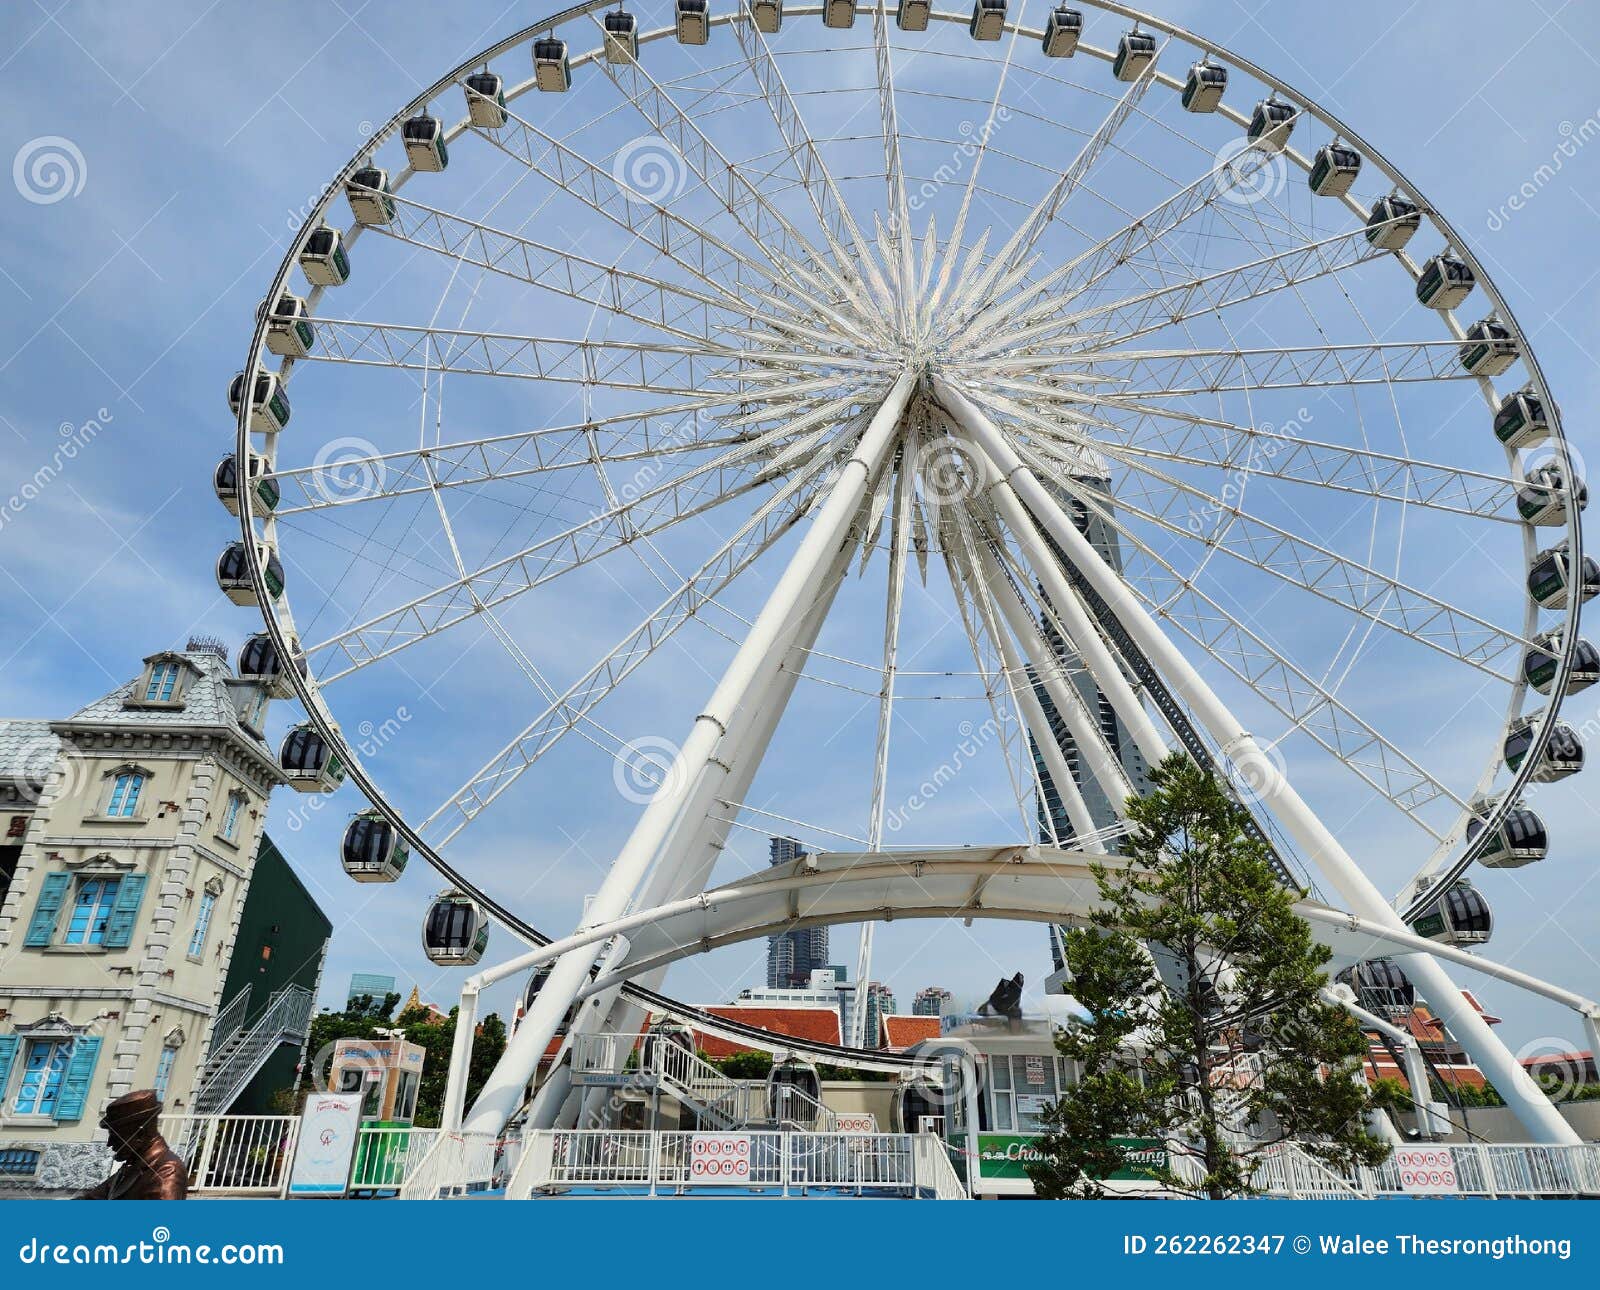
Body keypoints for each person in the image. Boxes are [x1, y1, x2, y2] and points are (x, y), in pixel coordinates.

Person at [78, 1090, 188, 1200]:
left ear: (140, 1134)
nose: (109, 1143)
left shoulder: (167, 1172)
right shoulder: (135, 1164)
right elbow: (92, 1198)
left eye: (116, 1136)